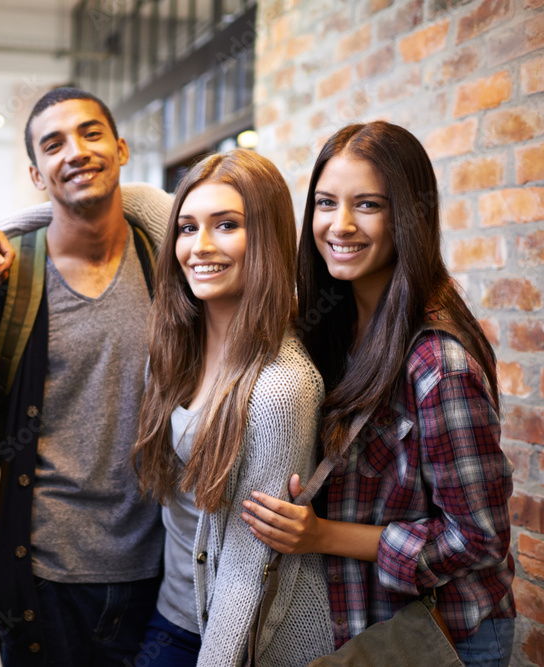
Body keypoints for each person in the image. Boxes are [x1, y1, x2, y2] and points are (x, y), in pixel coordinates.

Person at [240, 121, 516, 665]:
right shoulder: (328, 327)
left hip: (444, 639)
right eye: (325, 203)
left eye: (367, 205)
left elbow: (480, 538)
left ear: (407, 216)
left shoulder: (439, 363)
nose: (339, 225)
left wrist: (321, 536)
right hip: (367, 631)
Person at [0, 87, 167, 665]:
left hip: (162, 576)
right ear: (37, 173)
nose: (75, 152)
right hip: (44, 578)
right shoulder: (7, 281)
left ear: (122, 149)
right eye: (54, 144)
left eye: (91, 133)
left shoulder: (169, 264)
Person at [132, 149, 333, 667]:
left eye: (226, 225)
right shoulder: (174, 352)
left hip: (231, 640)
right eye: (186, 228)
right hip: (168, 612)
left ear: (265, 237)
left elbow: (250, 562)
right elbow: (123, 199)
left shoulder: (280, 387)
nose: (199, 246)